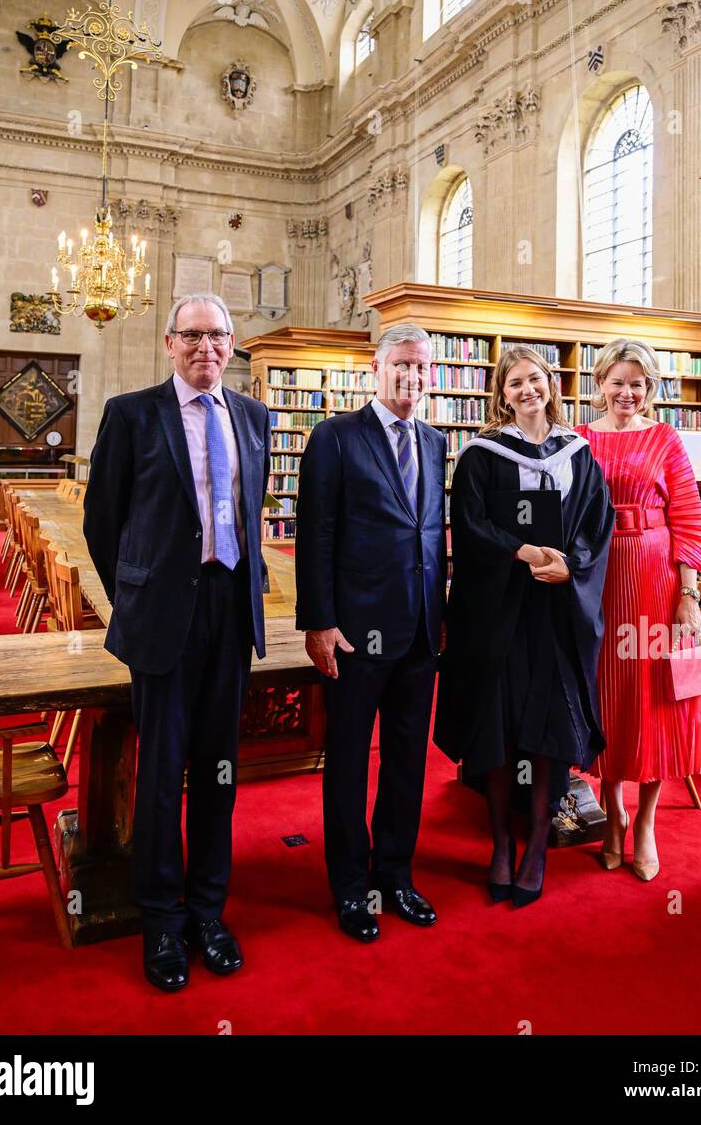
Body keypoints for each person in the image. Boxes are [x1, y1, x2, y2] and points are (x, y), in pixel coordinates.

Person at [83, 293, 270, 991]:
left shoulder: (252, 417)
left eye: (218, 335)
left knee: (220, 772)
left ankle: (208, 912)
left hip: (230, 609)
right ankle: (160, 921)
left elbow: (251, 511)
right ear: (169, 343)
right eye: (192, 336)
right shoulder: (133, 415)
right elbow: (104, 522)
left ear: (231, 343)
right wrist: (139, 591)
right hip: (164, 612)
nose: (206, 348)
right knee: (162, 776)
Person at [434, 346, 614, 907]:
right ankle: (500, 846)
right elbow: (468, 524)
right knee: (499, 724)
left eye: (534, 379)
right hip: (499, 612)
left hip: (556, 611)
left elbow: (595, 524)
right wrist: (520, 550)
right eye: (514, 383)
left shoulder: (579, 455)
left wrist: (573, 564)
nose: (526, 390)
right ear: (501, 393)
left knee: (549, 725)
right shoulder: (481, 455)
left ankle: (536, 844)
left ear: (551, 384)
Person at [295, 323, 447, 942]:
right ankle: (351, 888)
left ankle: (396, 873)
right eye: (401, 366)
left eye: (421, 368)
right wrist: (320, 621)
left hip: (419, 632)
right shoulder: (334, 438)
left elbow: (429, 534)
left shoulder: (436, 442)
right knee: (350, 761)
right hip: (356, 632)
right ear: (376, 371)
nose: (411, 377)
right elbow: (317, 535)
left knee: (409, 761)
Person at [577, 338, 701, 882]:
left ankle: (647, 822)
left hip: (654, 580)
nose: (627, 392)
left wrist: (688, 594)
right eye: (617, 381)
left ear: (650, 389)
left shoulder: (665, 438)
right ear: (600, 382)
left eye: (638, 383)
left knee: (654, 700)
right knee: (608, 697)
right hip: (598, 581)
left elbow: (690, 518)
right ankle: (612, 814)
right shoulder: (579, 439)